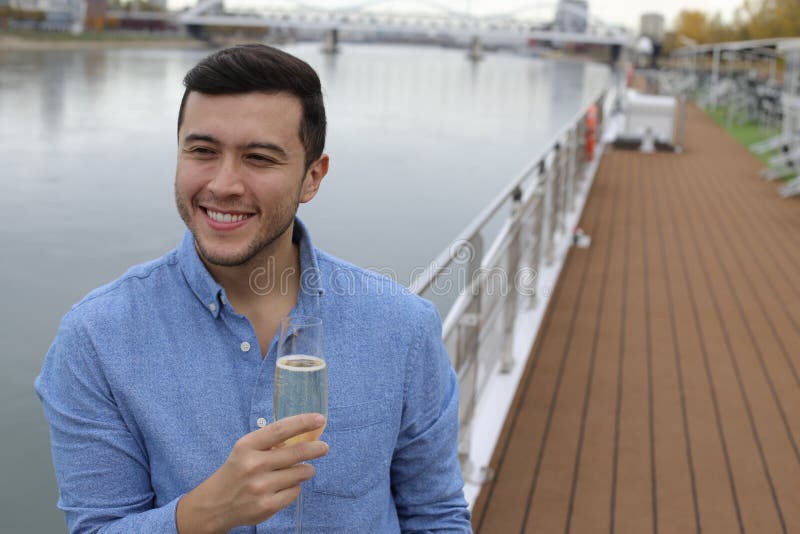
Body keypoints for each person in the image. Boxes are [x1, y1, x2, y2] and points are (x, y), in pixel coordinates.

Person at [35, 44, 470, 533]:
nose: (223, 184)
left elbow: (437, 517)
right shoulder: (96, 338)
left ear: (312, 178)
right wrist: (198, 515)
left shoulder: (402, 327)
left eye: (259, 158)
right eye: (202, 151)